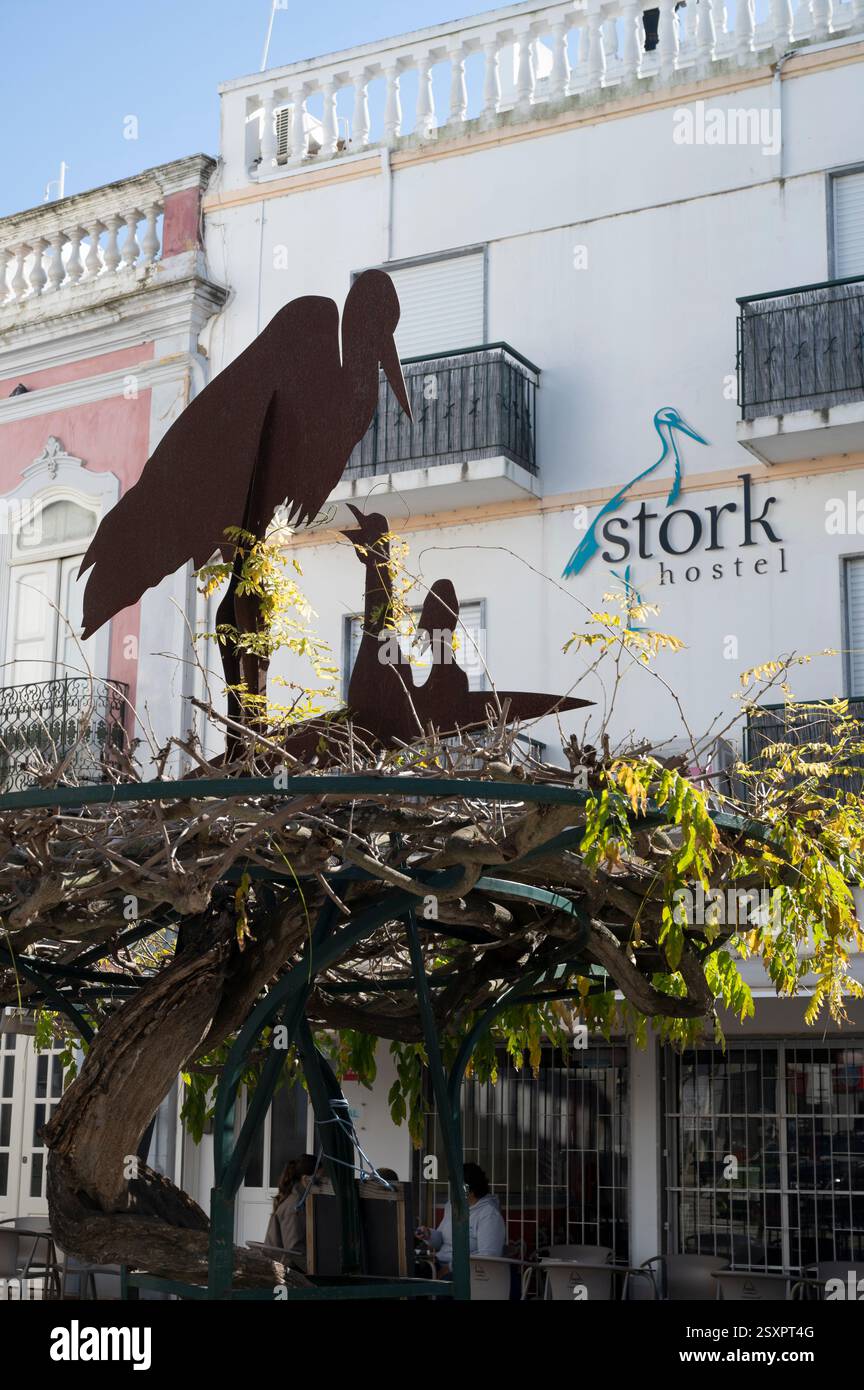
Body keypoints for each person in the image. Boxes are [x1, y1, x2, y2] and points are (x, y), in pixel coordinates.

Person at [417, 1162, 506, 1275]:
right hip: (439, 1264)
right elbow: (442, 1241)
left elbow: (488, 1257)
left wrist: (450, 1268)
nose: (453, 1191)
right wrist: (428, 1234)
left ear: (470, 1190)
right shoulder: (451, 1206)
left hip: (467, 1274)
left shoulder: (488, 1214)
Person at [265, 1154, 317, 1265]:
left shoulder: (299, 1200)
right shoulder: (295, 1206)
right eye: (320, 1180)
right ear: (306, 1180)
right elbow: (294, 1252)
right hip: (283, 1271)